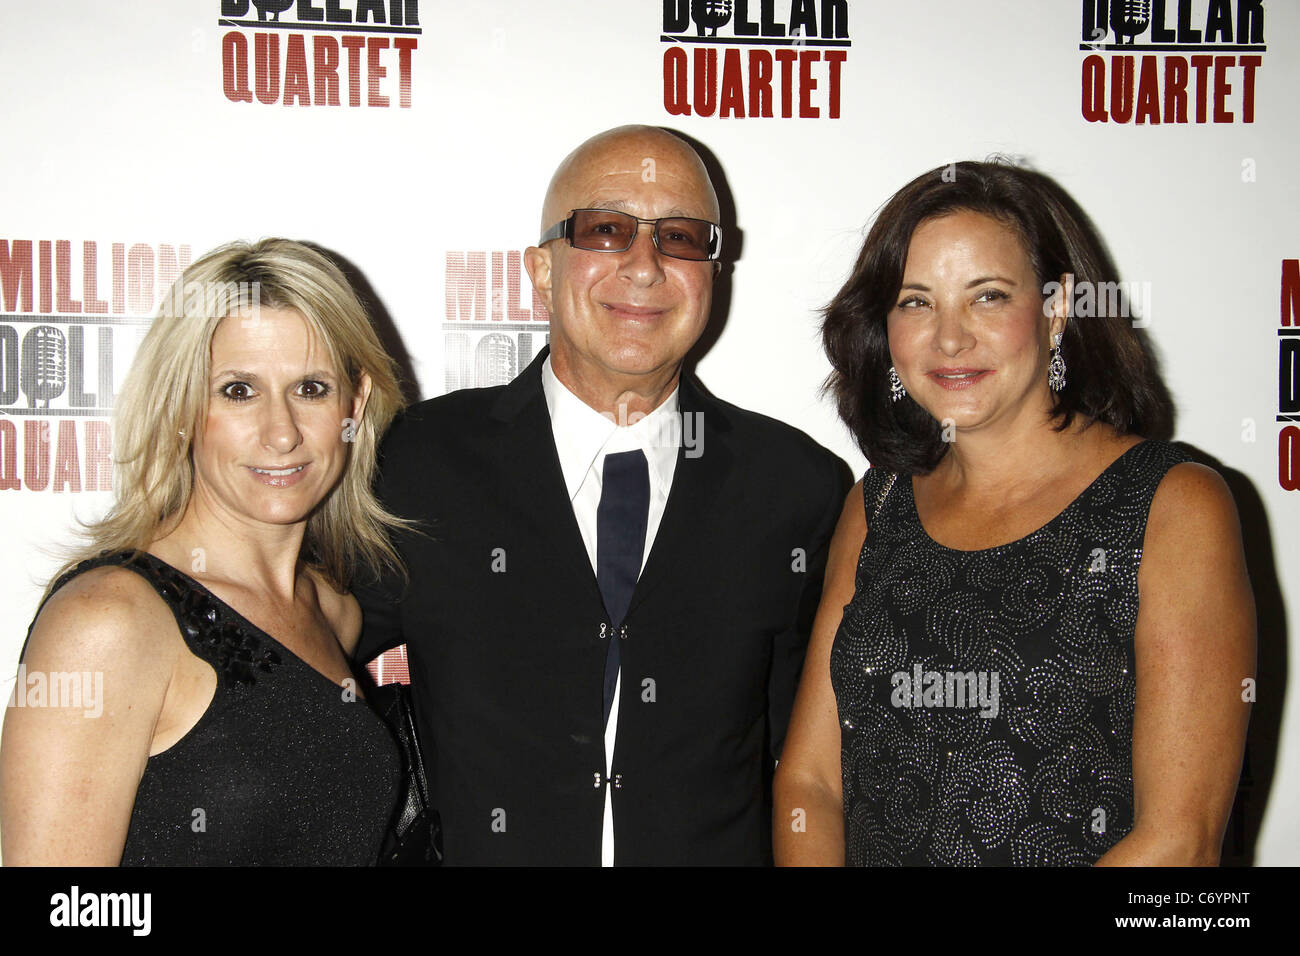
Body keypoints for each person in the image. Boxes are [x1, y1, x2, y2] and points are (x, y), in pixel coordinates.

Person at [353, 125, 846, 865]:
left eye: (680, 237)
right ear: (541, 271)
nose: (644, 266)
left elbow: (818, 769)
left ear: (714, 273)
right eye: (606, 231)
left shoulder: (795, 488)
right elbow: (297, 650)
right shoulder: (419, 461)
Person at [774, 160, 1255, 866]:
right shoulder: (878, 502)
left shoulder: (1173, 505)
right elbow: (811, 782)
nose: (950, 338)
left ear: (1057, 309)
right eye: (915, 302)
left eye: (988, 296)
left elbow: (1179, 842)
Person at [0, 238, 408, 865]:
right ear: (183, 408)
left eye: (311, 388)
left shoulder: (329, 611)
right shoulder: (108, 621)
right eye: (239, 391)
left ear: (354, 403)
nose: (282, 433)